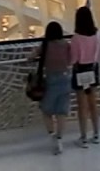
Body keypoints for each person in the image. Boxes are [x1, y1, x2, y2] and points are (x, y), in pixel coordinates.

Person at [28, 21, 72, 155]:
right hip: (65, 80)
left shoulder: (45, 45)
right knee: (61, 112)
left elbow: (31, 56)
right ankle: (59, 138)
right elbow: (70, 60)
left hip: (51, 80)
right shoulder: (66, 45)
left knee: (46, 110)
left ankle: (52, 135)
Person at [70, 5, 100, 146]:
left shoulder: (76, 38)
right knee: (93, 103)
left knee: (82, 105)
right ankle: (96, 134)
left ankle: (83, 136)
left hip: (80, 70)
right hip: (93, 69)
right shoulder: (97, 35)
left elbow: (73, 59)